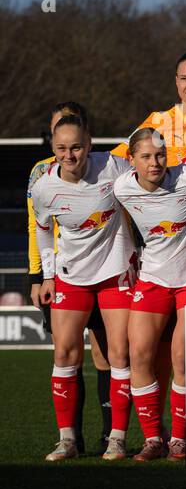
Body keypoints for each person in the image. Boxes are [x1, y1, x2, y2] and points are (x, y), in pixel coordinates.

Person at [29, 115, 136, 461]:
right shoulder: (44, 187)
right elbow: (43, 229)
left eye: (76, 147)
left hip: (114, 274)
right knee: (64, 355)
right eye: (61, 148)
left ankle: (117, 439)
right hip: (71, 277)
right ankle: (67, 441)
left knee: (119, 355)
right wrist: (47, 276)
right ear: (53, 149)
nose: (69, 155)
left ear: (89, 144)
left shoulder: (115, 167)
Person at [114, 127, 186, 461]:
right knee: (140, 354)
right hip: (154, 276)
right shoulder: (122, 188)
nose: (155, 162)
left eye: (160, 155)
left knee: (181, 357)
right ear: (131, 160)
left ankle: (179, 438)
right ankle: (153, 440)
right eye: (145, 156)